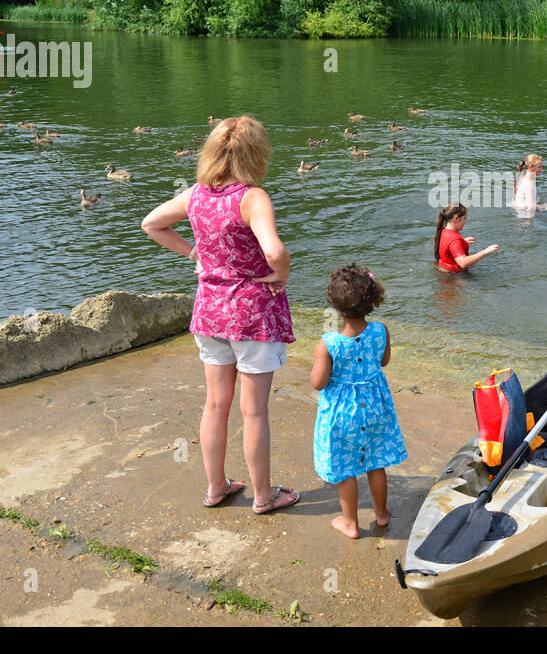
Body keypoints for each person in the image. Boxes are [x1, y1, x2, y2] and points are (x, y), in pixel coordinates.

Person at [140, 115, 299, 515]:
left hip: (210, 312)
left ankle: (216, 487)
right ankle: (264, 496)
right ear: (258, 154)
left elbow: (151, 224)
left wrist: (194, 252)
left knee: (215, 404)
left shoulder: (195, 194)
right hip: (252, 316)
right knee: (254, 410)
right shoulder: (252, 198)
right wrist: (279, 273)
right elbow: (275, 251)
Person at [310, 264, 407, 539]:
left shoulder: (328, 343)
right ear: (372, 300)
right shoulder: (380, 331)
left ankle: (350, 523)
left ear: (336, 306)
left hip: (342, 415)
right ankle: (381, 513)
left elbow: (318, 382)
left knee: (345, 468)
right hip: (375, 408)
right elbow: (384, 361)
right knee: (376, 463)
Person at [434, 204, 499, 272]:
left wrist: (462, 242)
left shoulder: (444, 231)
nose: (465, 221)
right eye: (464, 218)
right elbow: (463, 263)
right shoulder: (455, 240)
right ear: (456, 218)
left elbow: (447, 246)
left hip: (444, 273)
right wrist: (485, 251)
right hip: (455, 277)